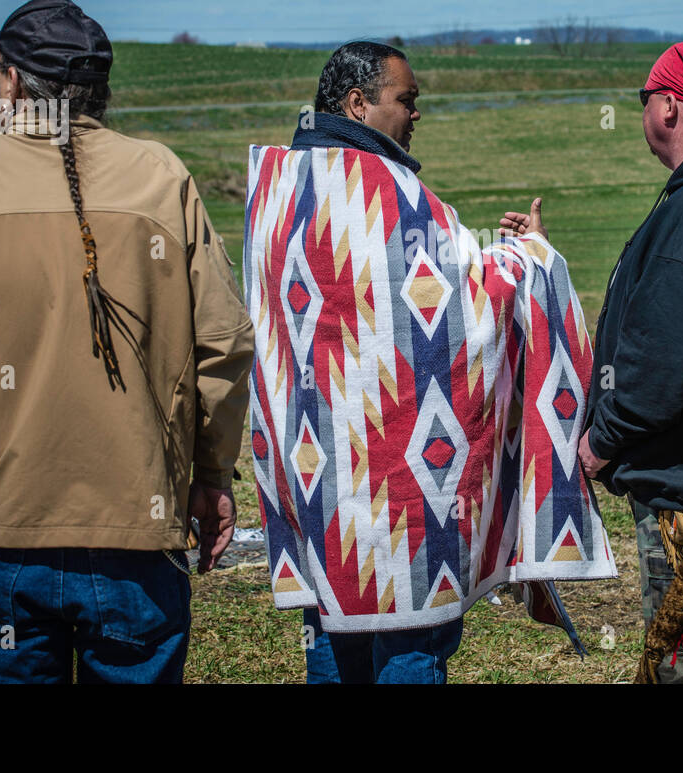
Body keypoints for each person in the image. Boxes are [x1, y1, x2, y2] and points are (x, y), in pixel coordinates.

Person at [0, 0, 254, 683]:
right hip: (140, 529)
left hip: (5, 526)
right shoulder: (163, 175)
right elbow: (224, 343)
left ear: (15, 81)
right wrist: (209, 471)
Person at [244, 41, 614, 684]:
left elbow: (405, 284)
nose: (417, 115)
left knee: (332, 632)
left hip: (317, 480)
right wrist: (532, 257)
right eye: (406, 100)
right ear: (358, 104)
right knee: (410, 646)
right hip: (396, 489)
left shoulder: (280, 187)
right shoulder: (384, 188)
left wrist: (495, 250)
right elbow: (459, 296)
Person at [504, 41, 683, 683]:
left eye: (645, 98)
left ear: (669, 106)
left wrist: (601, 443)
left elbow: (664, 361)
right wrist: (543, 258)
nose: (643, 111)